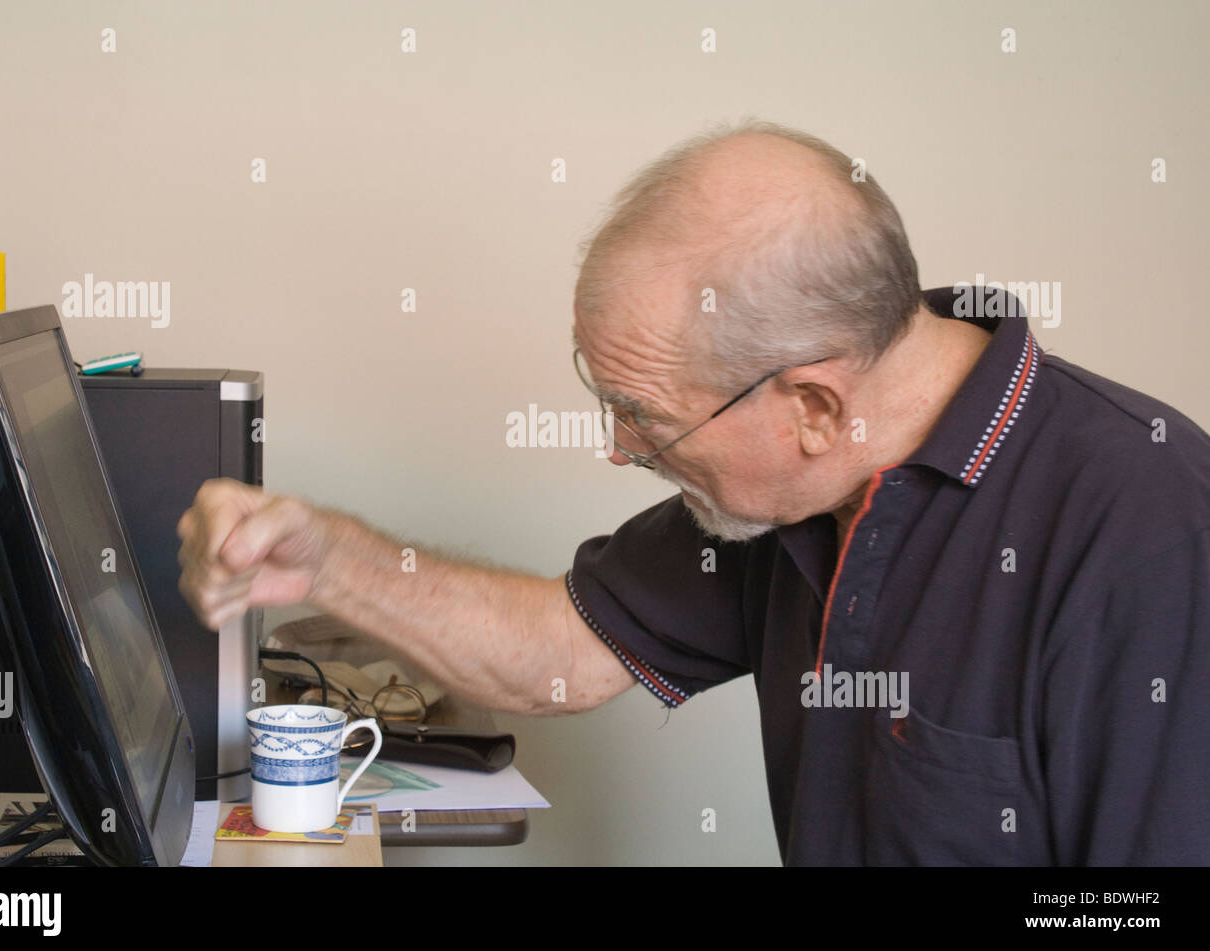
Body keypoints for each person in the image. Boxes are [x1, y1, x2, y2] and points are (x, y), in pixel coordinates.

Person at [177, 121, 1210, 864]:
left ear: (811, 402)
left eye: (646, 415)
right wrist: (326, 559)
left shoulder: (1149, 528)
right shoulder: (800, 485)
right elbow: (560, 655)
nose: (620, 448)